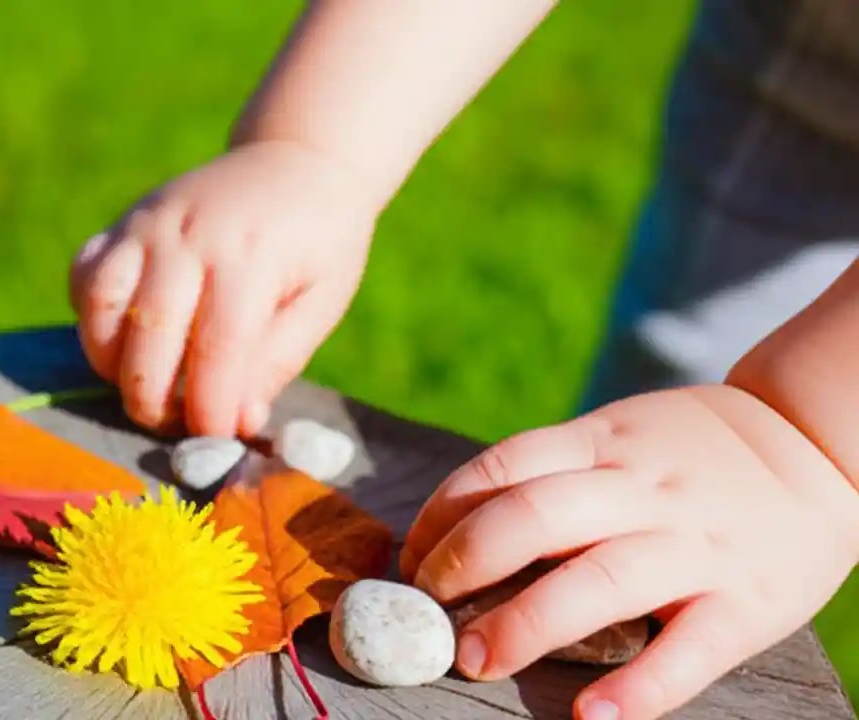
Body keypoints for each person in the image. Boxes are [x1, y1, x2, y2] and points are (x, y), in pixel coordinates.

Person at [67, 2, 859, 718]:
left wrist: (809, 438)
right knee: (659, 447)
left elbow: (790, 448)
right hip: (797, 47)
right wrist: (313, 145)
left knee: (749, 500)